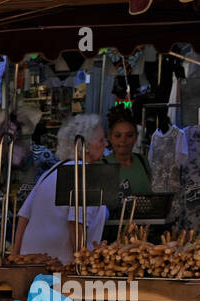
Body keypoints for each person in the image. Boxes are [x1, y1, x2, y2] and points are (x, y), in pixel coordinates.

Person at [11, 114, 109, 265]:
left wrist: (15, 257)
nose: (106, 144)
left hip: (30, 261)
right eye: (101, 140)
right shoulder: (86, 175)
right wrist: (81, 266)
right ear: (86, 146)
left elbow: (24, 217)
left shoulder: (51, 172)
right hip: (59, 264)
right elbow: (76, 223)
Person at [102, 107, 152, 198]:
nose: (123, 140)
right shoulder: (102, 166)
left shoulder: (142, 161)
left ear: (136, 136)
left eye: (129, 135)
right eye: (118, 136)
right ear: (110, 137)